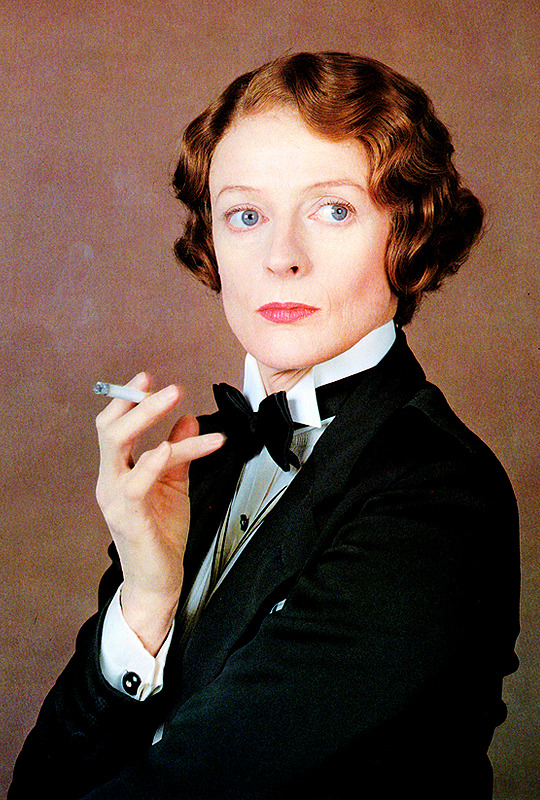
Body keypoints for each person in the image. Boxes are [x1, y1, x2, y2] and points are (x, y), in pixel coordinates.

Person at [9, 51, 520, 799]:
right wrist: (146, 603)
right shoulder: (198, 469)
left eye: (333, 210)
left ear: (407, 233)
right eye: (246, 216)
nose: (282, 258)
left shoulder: (439, 495)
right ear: (212, 242)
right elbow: (39, 785)